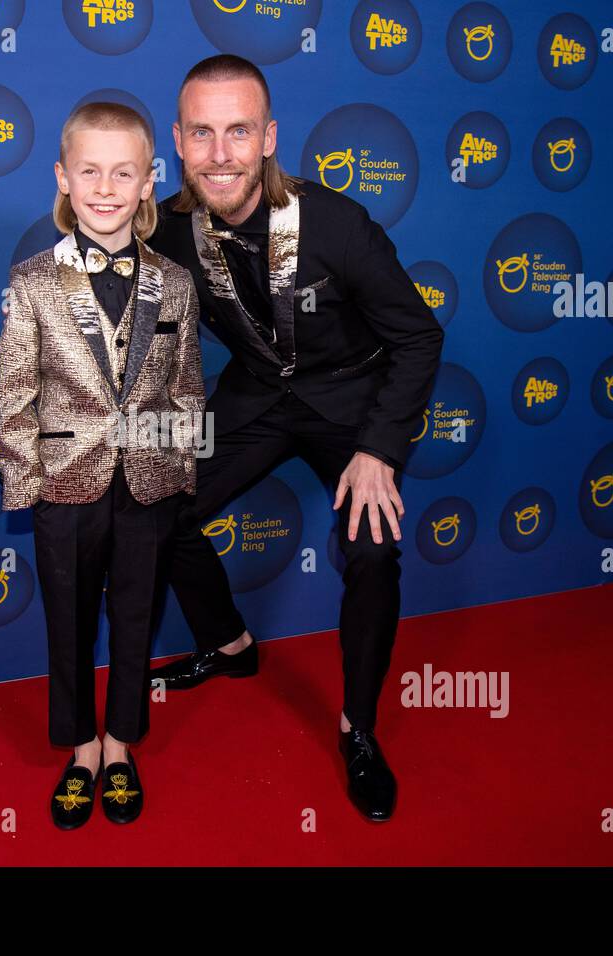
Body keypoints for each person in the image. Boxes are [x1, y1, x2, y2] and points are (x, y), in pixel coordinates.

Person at [146, 55, 444, 822]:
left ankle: (359, 729)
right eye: (202, 133)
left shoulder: (336, 223)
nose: (221, 153)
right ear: (177, 142)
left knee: (373, 551)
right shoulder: (172, 230)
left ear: (269, 136)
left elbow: (418, 338)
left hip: (352, 403)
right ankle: (233, 647)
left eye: (238, 131)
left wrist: (380, 448)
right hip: (255, 397)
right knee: (160, 508)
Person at [0, 102, 204, 829]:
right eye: (90, 171)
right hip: (65, 485)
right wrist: (28, 488)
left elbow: (187, 386)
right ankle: (81, 746)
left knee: (137, 620)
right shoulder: (31, 281)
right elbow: (14, 390)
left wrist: (185, 474)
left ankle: (122, 742)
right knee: (70, 622)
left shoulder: (175, 283)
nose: (106, 188)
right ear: (63, 177)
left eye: (124, 172)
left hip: (149, 485)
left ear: (151, 181)